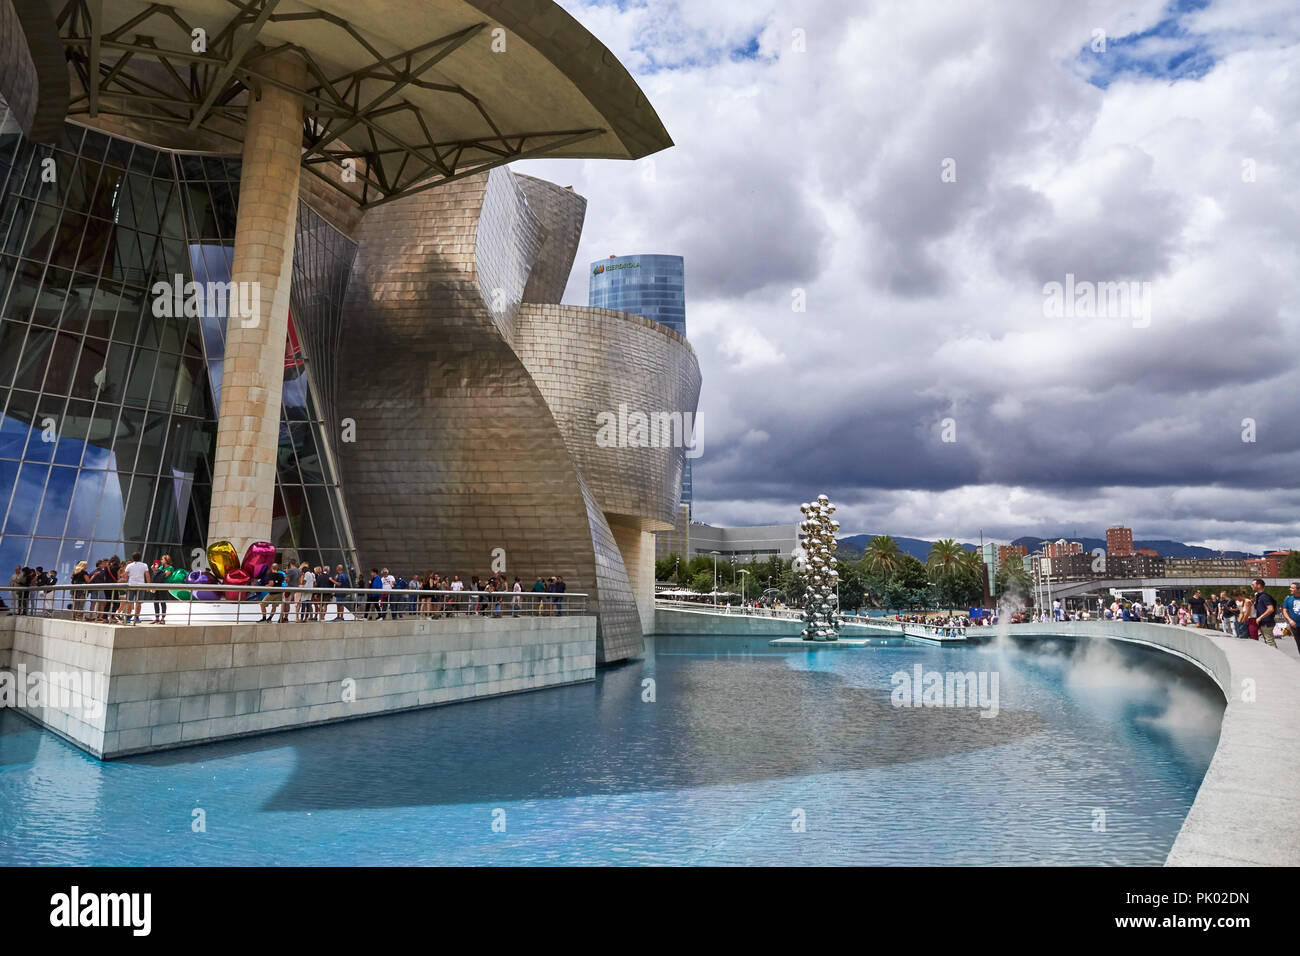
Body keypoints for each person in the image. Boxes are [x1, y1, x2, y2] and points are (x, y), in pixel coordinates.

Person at [122, 551, 150, 625]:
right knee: (139, 602)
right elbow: (147, 575)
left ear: (133, 558)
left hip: (131, 585)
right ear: (140, 558)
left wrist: (126, 582)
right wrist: (148, 585)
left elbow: (125, 576)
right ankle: (136, 617)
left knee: (130, 602)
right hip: (141, 585)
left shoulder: (129, 565)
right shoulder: (144, 565)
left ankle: (128, 617)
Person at [1251, 578, 1277, 647]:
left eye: (1253, 584)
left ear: (1259, 585)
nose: (1251, 586)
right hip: (1264, 622)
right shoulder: (1259, 596)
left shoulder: (1264, 596)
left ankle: (1276, 656)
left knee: (1269, 641)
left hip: (1266, 622)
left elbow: (1270, 609)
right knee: (1268, 641)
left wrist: (1260, 618)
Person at [149, 554, 173, 623]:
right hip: (156, 586)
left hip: (163, 586)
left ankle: (163, 619)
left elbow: (165, 575)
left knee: (162, 602)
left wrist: (158, 570)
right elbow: (156, 574)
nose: (161, 560)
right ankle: (157, 618)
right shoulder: (161, 567)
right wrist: (154, 569)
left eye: (162, 559)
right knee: (155, 602)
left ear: (166, 560)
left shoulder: (170, 568)